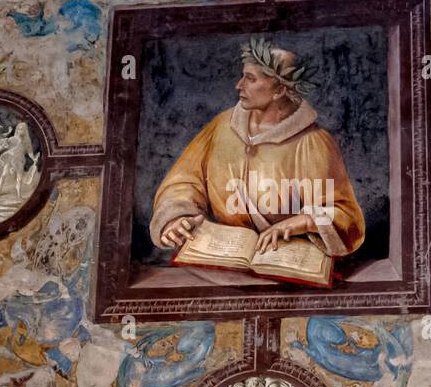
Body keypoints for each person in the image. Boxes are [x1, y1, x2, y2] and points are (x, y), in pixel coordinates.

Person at [151, 38, 364, 258]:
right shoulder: (222, 126)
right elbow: (184, 181)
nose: (239, 85)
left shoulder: (313, 141)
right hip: (221, 256)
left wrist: (301, 222)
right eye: (243, 75)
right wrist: (176, 218)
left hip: (286, 261)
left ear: (279, 89)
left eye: (250, 78)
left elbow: (345, 216)